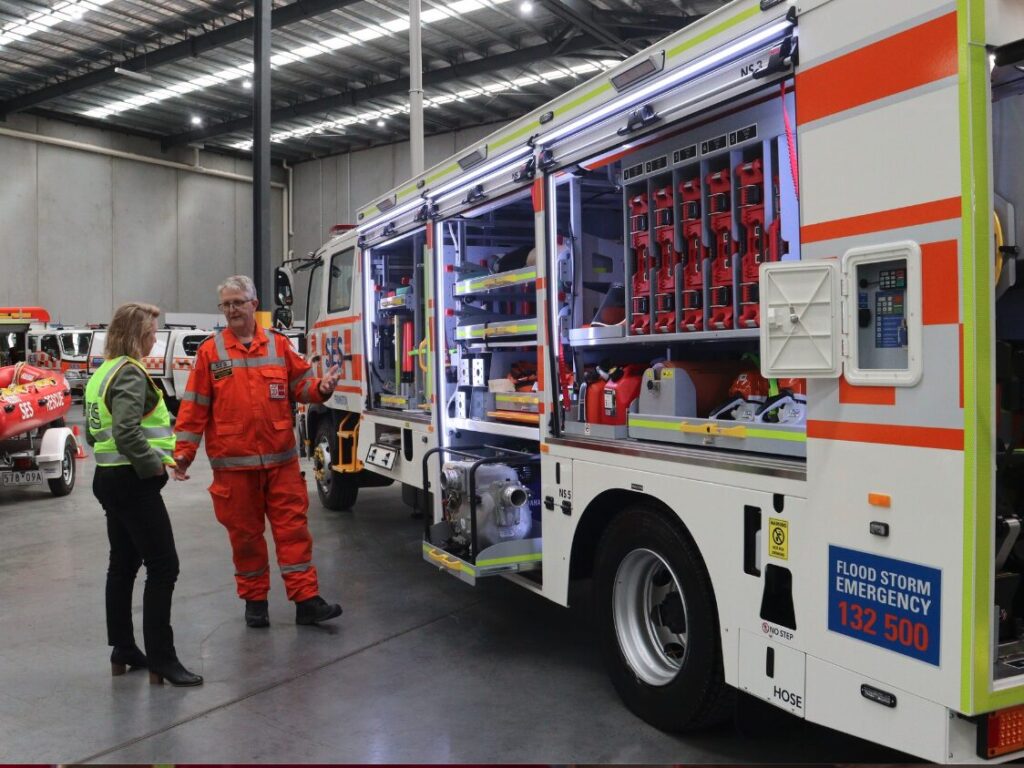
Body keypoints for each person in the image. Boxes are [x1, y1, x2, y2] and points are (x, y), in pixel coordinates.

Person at [173, 275, 343, 628]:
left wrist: (321, 389)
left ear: (254, 304)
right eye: (226, 304)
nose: (232, 310)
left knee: (293, 532)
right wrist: (184, 453)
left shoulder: (279, 346)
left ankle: (306, 601)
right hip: (234, 471)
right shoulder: (210, 352)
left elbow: (301, 386)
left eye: (238, 302)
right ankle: (255, 603)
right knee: (245, 538)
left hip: (280, 464)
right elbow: (194, 407)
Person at [85, 302, 203, 687]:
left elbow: (93, 433)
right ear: (137, 336)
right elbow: (126, 432)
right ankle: (162, 660)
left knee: (122, 564)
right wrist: (153, 465)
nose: (155, 339)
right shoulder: (132, 374)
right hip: (133, 484)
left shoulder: (101, 373)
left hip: (108, 478)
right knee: (163, 566)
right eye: (152, 333)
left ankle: (123, 649)